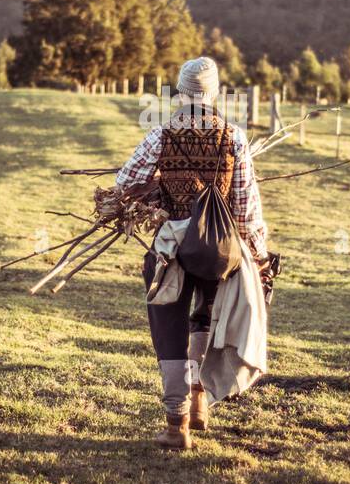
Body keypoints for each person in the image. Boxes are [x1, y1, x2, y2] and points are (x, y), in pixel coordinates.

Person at [115, 56, 269, 450]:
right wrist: (259, 257)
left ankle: (175, 425)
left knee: (170, 327)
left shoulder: (161, 134)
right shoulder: (233, 137)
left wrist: (156, 194)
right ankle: (200, 400)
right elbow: (246, 209)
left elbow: (126, 182)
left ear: (182, 93)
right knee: (205, 318)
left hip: (174, 246)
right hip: (219, 249)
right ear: (215, 93)